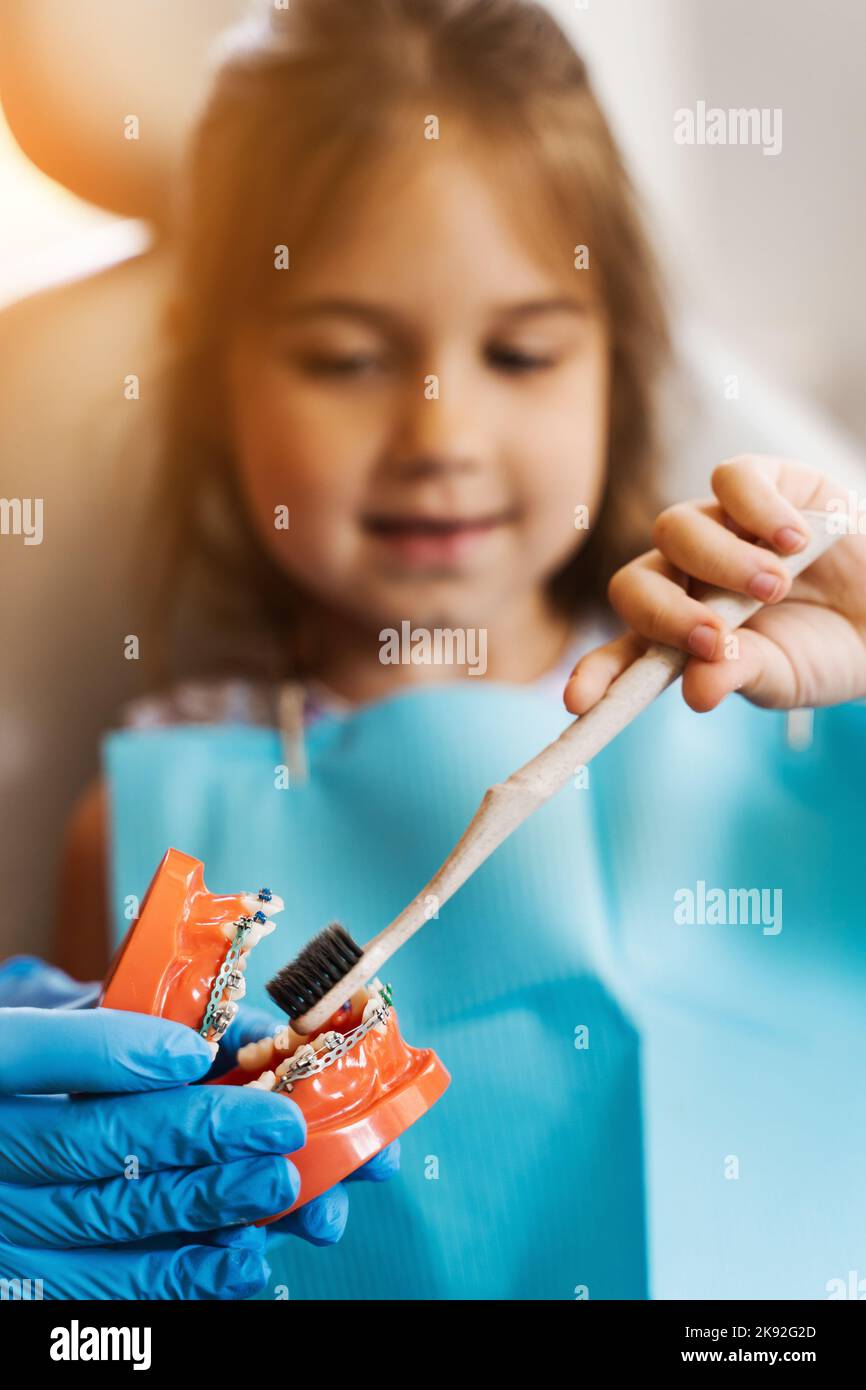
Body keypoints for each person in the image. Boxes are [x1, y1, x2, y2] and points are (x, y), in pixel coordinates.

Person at [46, 0, 866, 1298]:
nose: (441, 430)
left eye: (520, 351)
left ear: (620, 365)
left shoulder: (774, 707)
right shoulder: (145, 814)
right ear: (213, 383)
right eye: (347, 356)